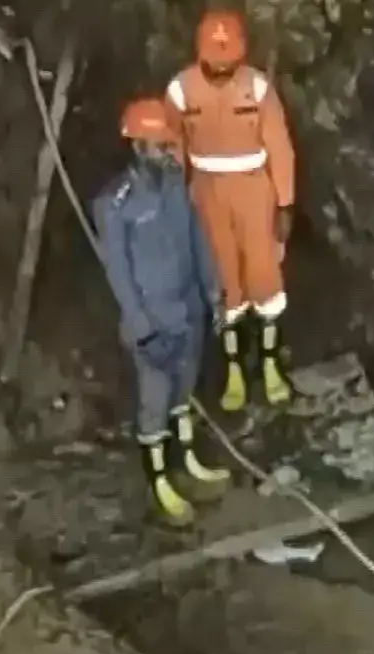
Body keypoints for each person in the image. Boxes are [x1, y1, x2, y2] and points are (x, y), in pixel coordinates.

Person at [91, 98, 232, 528]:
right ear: (137, 147)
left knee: (184, 395)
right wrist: (141, 327)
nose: (168, 152)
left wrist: (214, 292)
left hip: (188, 309)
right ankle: (160, 484)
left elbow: (198, 240)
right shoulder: (114, 204)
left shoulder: (175, 183)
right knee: (155, 402)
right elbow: (118, 272)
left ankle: (187, 465)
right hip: (155, 319)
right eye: (160, 145)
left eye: (170, 144)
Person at [166, 8, 296, 412]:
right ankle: (234, 369)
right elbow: (173, 150)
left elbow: (280, 147)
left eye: (229, 64)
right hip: (207, 194)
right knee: (223, 281)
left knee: (264, 275)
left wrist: (285, 203)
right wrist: (176, 204)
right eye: (214, 64)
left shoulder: (257, 88)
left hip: (255, 190)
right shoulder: (181, 91)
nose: (222, 72)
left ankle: (270, 362)